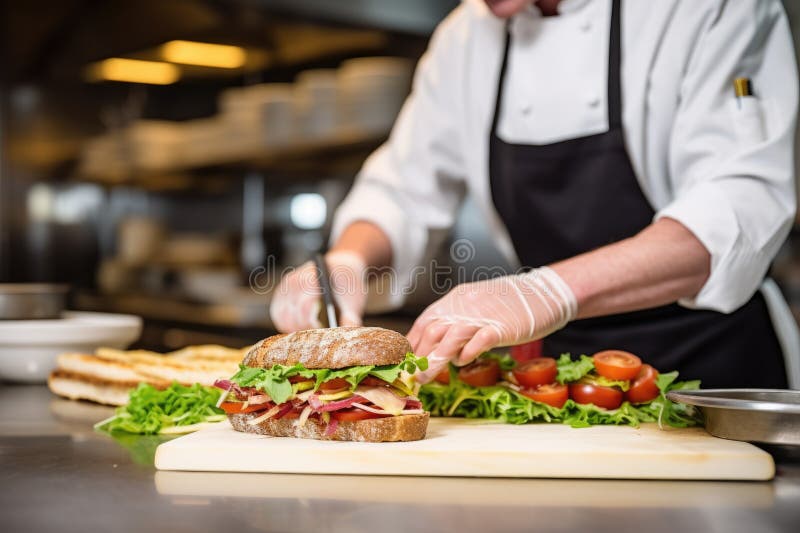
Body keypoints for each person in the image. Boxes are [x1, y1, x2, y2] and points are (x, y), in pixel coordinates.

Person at [270, 0, 800, 389]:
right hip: (557, 377)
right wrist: (349, 259)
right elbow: (403, 188)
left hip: (712, 366)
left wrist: (544, 292)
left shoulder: (707, 8)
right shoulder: (464, 34)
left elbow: (737, 207)